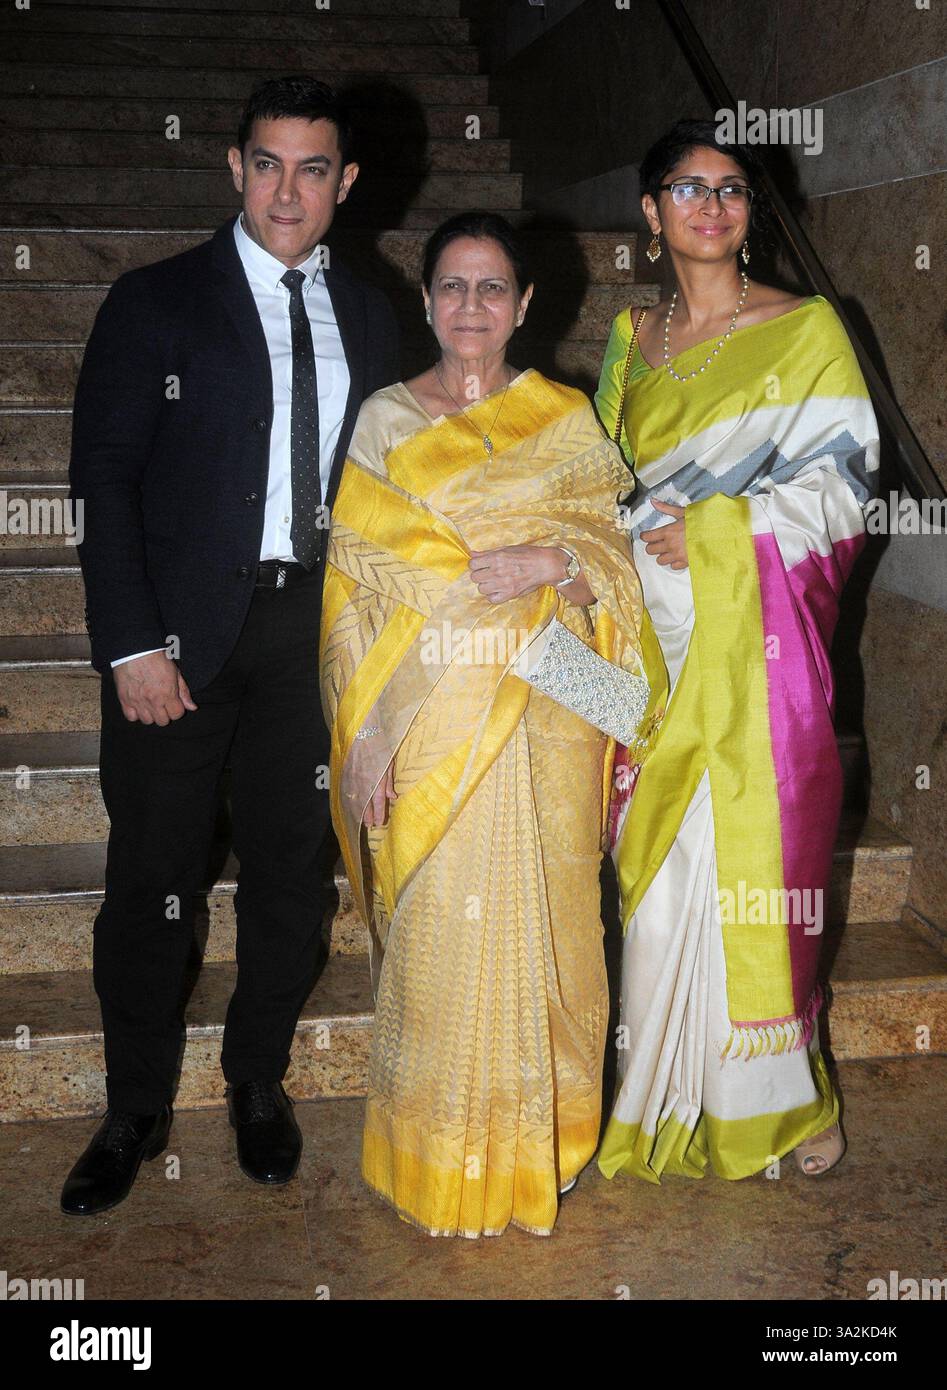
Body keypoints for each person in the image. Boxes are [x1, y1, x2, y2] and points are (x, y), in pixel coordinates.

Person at [61, 76, 399, 1216]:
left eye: (313, 168)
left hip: (315, 636)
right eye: (266, 162)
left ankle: (257, 1077)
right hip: (177, 638)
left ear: (345, 183)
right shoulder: (154, 302)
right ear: (233, 167)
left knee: (291, 880)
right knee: (151, 879)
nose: (286, 189)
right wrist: (128, 646)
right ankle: (134, 1104)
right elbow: (102, 479)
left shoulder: (377, 312)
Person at [320, 212, 665, 1237]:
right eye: (452, 287)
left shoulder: (563, 418)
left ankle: (538, 1147)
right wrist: (368, 734)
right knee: (435, 933)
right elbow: (352, 594)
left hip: (548, 714)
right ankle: (435, 1159)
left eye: (490, 288)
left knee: (558, 929)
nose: (471, 306)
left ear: (522, 305)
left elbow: (617, 559)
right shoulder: (384, 419)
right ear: (426, 302)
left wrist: (547, 562)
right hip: (428, 718)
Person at [594, 119, 879, 1185]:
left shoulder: (803, 328)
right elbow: (601, 483)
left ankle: (785, 1099)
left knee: (762, 862)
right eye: (685, 188)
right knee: (661, 873)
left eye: (730, 189)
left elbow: (844, 490)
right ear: (649, 211)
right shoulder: (631, 340)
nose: (709, 206)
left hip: (750, 638)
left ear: (752, 213)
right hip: (653, 638)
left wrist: (716, 527)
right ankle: (663, 1080)